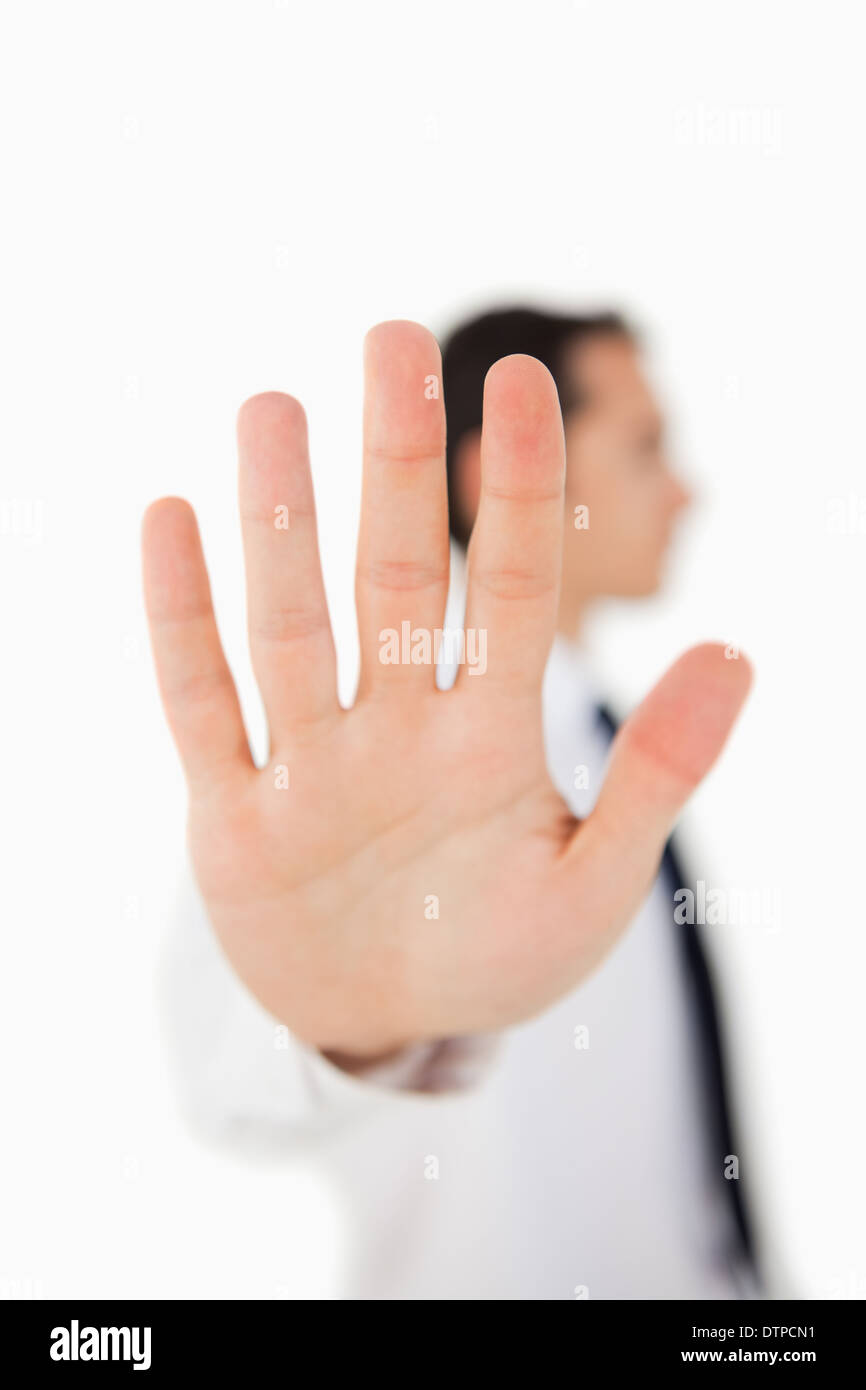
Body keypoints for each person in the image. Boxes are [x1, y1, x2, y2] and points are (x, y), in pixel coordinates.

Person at [142, 310, 759, 1299]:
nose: (685, 490)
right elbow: (223, 1089)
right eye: (643, 447)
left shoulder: (614, 747)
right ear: (503, 471)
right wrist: (354, 1027)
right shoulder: (362, 771)